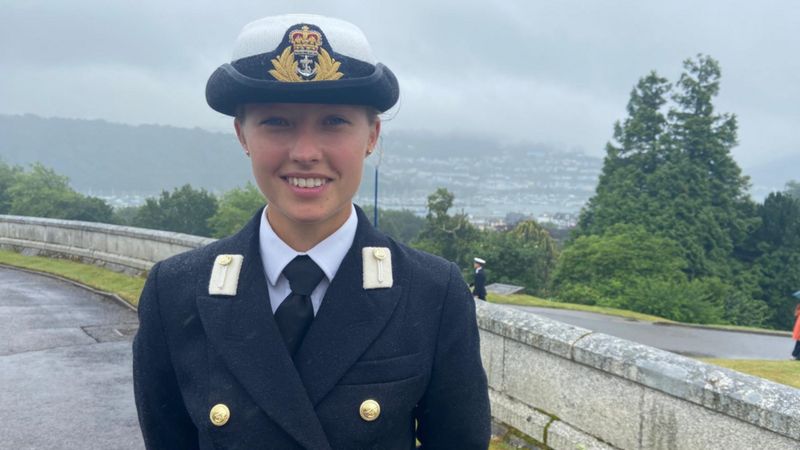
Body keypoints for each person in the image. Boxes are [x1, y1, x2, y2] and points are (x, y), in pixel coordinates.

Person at [132, 14, 490, 450]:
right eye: (276, 122)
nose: (305, 153)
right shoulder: (175, 293)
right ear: (241, 134)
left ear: (372, 135)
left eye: (334, 122)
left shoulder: (432, 294)